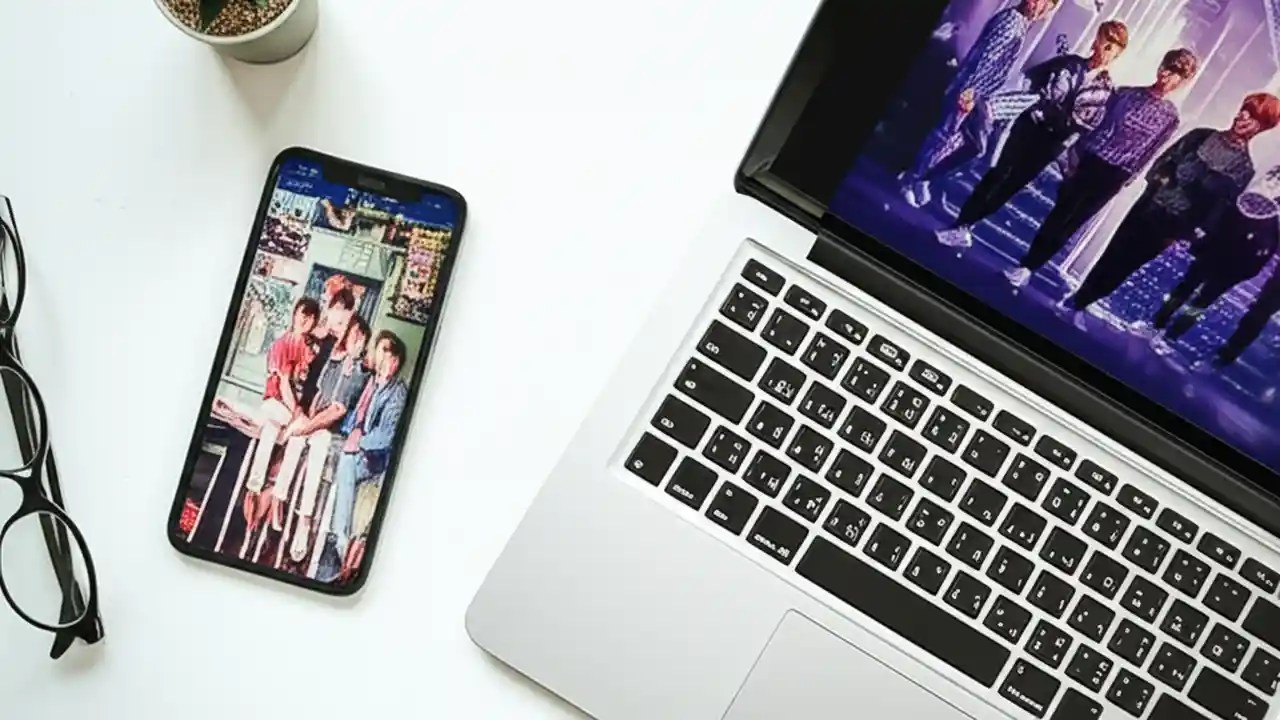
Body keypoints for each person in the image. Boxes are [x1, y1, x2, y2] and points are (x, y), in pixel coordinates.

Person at [1062, 91, 1274, 327]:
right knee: (1112, 254)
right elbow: (1163, 162)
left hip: (1172, 226)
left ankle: (1082, 302)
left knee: (1126, 267)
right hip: (1149, 206)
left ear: (1261, 127)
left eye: (1252, 115)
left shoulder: (1244, 168)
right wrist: (1161, 183)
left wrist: (1188, 232)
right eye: (1244, 109)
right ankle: (1078, 299)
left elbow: (1217, 211)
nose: (1242, 116)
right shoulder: (1200, 136)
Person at [1008, 48, 1199, 311]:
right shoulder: (1126, 93)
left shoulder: (1170, 117)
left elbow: (1150, 151)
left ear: (1183, 81)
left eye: (1176, 73)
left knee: (1074, 222)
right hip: (1090, 159)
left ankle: (1031, 267)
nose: (1167, 75)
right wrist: (1074, 155)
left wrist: (1128, 179)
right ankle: (1026, 263)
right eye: (1167, 67)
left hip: (1115, 174)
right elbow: (1095, 125)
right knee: (1060, 213)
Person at [935, 20, 1129, 255]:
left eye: (1112, 47)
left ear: (1118, 54)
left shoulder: (1107, 91)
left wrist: (1064, 132)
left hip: (1052, 144)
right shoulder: (1067, 63)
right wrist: (1024, 103)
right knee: (998, 173)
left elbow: (1086, 125)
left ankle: (968, 225)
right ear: (1096, 40)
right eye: (1104, 41)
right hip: (1029, 126)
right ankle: (960, 224)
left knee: (1011, 186)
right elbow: (1032, 78)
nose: (1105, 49)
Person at [900, 0, 1061, 209]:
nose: (1036, 4)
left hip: (980, 94)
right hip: (971, 91)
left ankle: (923, 177)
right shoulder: (1011, 22)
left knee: (965, 144)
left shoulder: (1021, 24)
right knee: (945, 137)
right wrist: (968, 92)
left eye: (1044, 3)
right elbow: (984, 60)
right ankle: (911, 178)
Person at [274, 316, 372, 565]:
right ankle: (279, 497)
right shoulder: (333, 362)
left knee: (316, 443)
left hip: (336, 433)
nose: (356, 341)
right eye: (353, 335)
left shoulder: (360, 372)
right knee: (297, 440)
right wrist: (306, 421)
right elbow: (319, 396)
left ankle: (305, 519)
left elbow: (337, 411)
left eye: (360, 338)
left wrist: (307, 427)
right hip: (317, 424)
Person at [241, 297, 320, 551]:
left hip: (294, 415)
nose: (305, 320)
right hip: (276, 403)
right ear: (294, 314)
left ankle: (277, 500)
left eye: (310, 316)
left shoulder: (311, 350)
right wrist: (297, 413)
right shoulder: (281, 344)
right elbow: (285, 385)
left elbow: (308, 386)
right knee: (287, 429)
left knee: (297, 439)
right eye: (302, 314)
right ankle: (255, 491)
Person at [332, 330, 409, 583]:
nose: (380, 358)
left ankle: (340, 538)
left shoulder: (397, 393)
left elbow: (386, 437)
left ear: (396, 361)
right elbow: (354, 415)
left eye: (386, 354)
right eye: (380, 352)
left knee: (345, 462)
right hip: (358, 448)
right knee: (340, 459)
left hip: (376, 460)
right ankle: (337, 536)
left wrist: (359, 443)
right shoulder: (374, 384)